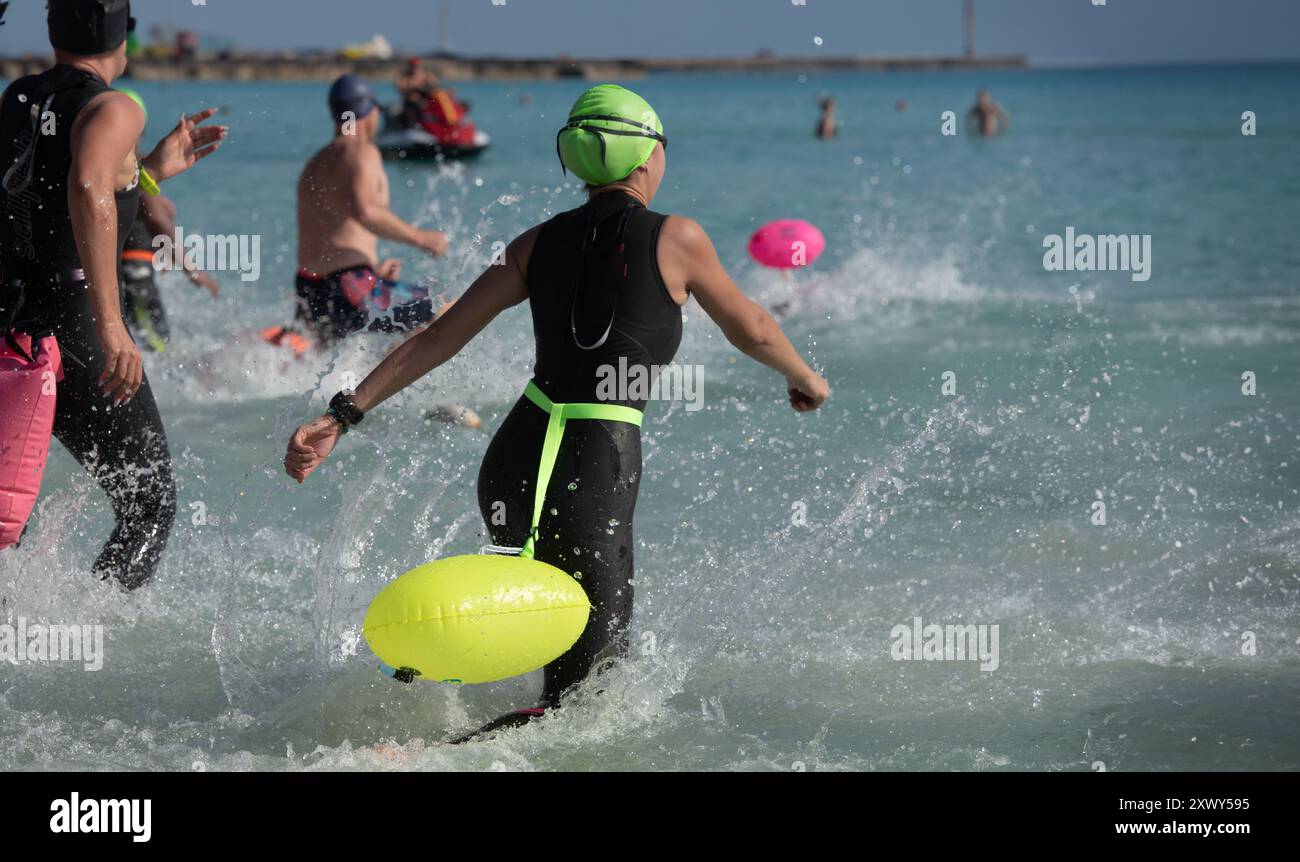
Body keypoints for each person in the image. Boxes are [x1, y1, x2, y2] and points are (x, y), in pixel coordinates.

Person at [283, 84, 829, 741]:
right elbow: (756, 328)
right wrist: (804, 377)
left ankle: (428, 727)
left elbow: (438, 336)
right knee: (585, 698)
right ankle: (422, 757)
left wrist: (342, 415)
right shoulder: (678, 237)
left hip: (514, 462)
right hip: (592, 469)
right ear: (646, 159)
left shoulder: (534, 244)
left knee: (555, 649)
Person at [0, 0, 225, 588]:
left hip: (11, 326)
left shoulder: (20, 96)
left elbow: (47, 188)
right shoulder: (115, 105)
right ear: (121, 37)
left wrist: (147, 170)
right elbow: (87, 182)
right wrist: (110, 321)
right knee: (149, 502)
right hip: (72, 330)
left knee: (6, 516)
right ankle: (90, 630)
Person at [295, 74, 450, 346]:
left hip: (310, 290)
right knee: (447, 306)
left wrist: (373, 271)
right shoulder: (361, 151)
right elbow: (365, 211)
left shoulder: (315, 163)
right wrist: (422, 238)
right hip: (349, 287)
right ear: (370, 110)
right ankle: (392, 383)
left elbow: (329, 236)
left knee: (329, 364)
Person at [117, 88, 220, 353]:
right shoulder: (132, 165)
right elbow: (158, 223)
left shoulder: (102, 165)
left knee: (141, 341)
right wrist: (192, 270)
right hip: (135, 271)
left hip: (122, 270)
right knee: (156, 347)